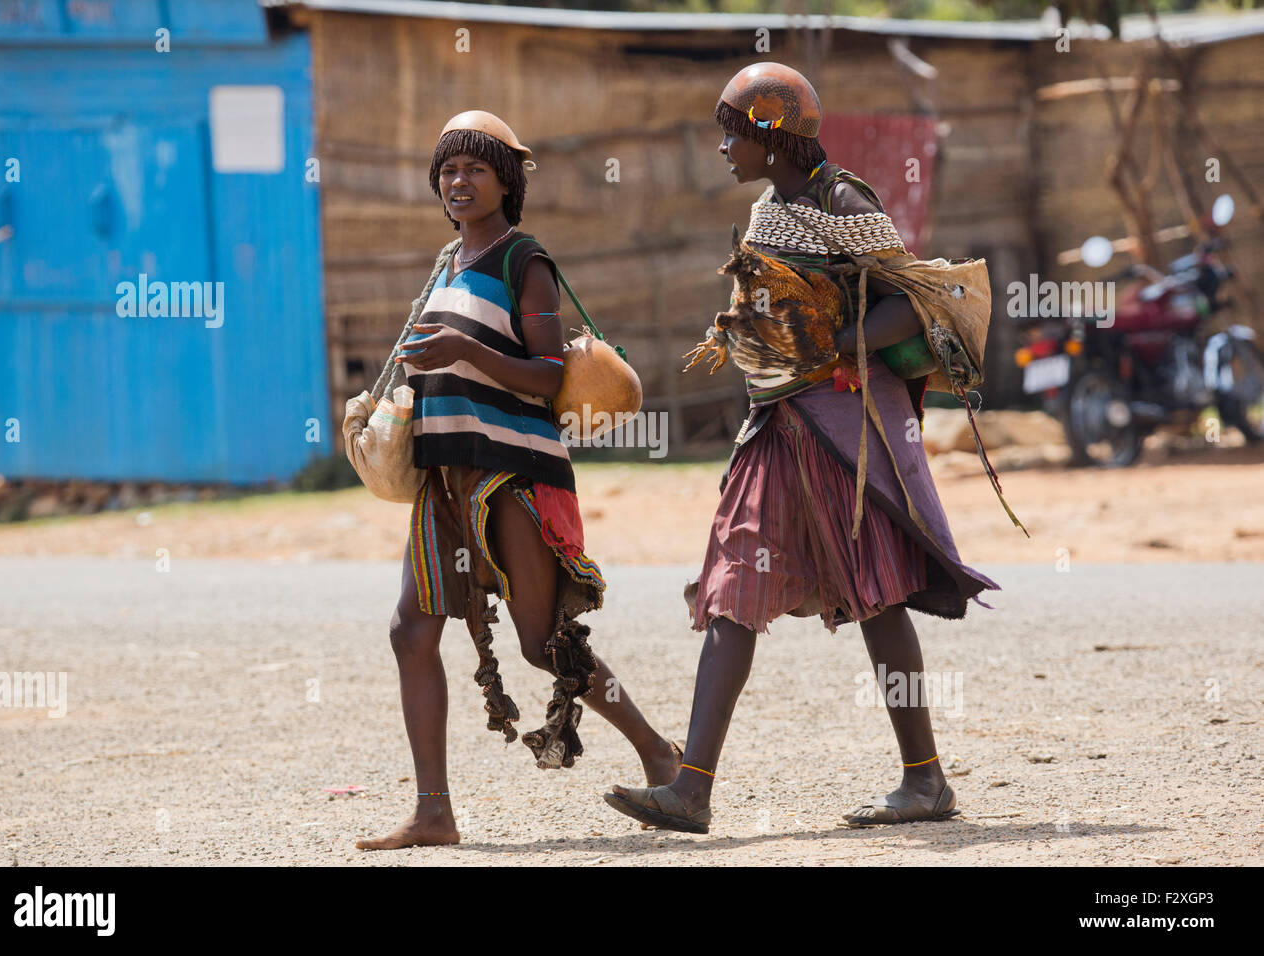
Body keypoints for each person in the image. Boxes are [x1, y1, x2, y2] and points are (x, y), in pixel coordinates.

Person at [603, 64, 1000, 834]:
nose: (723, 147)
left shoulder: (842, 202)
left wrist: (830, 342)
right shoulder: (769, 209)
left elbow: (908, 304)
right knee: (730, 589)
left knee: (876, 591)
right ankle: (692, 788)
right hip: (776, 428)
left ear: (770, 136)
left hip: (844, 430)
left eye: (732, 131)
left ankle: (925, 780)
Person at [356, 110, 679, 851]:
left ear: (507, 179)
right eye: (447, 170)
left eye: (474, 168)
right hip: (444, 475)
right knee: (411, 629)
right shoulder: (446, 262)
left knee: (542, 644)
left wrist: (464, 345)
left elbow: (546, 372)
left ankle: (659, 751)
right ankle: (433, 810)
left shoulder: (522, 260)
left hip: (513, 472)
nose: (457, 181)